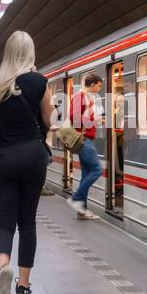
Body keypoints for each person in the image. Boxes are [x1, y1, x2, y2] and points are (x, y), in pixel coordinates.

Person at [0, 31, 54, 294]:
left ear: (7, 52)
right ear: (30, 52)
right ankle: (23, 286)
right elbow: (48, 119)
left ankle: (2, 268)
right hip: (33, 156)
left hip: (4, 157)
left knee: (4, 223)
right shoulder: (40, 83)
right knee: (27, 222)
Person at [67, 72, 103, 220]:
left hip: (86, 139)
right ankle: (76, 199)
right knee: (97, 170)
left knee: (86, 174)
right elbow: (74, 117)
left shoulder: (87, 98)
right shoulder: (80, 96)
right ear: (93, 85)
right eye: (99, 86)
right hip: (84, 140)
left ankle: (82, 211)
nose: (100, 89)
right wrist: (94, 120)